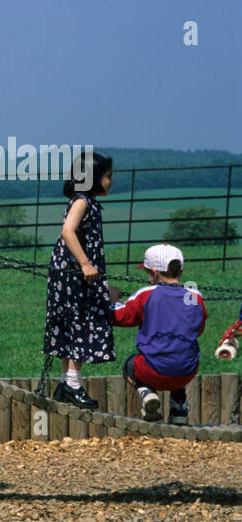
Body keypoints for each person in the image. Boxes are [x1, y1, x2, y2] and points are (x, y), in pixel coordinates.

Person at [43, 151, 115, 408]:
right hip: (73, 275)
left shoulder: (89, 202)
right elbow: (67, 231)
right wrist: (85, 263)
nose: (111, 181)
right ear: (93, 178)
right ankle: (72, 384)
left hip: (77, 275)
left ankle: (68, 383)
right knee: (79, 323)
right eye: (108, 176)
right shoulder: (81, 202)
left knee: (74, 324)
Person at [112, 243, 206, 423]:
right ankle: (179, 409)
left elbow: (119, 317)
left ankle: (148, 394)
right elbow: (199, 328)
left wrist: (112, 298)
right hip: (188, 371)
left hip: (152, 371)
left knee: (130, 364)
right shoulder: (195, 296)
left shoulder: (147, 293)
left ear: (155, 273)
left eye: (148, 273)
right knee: (178, 354)